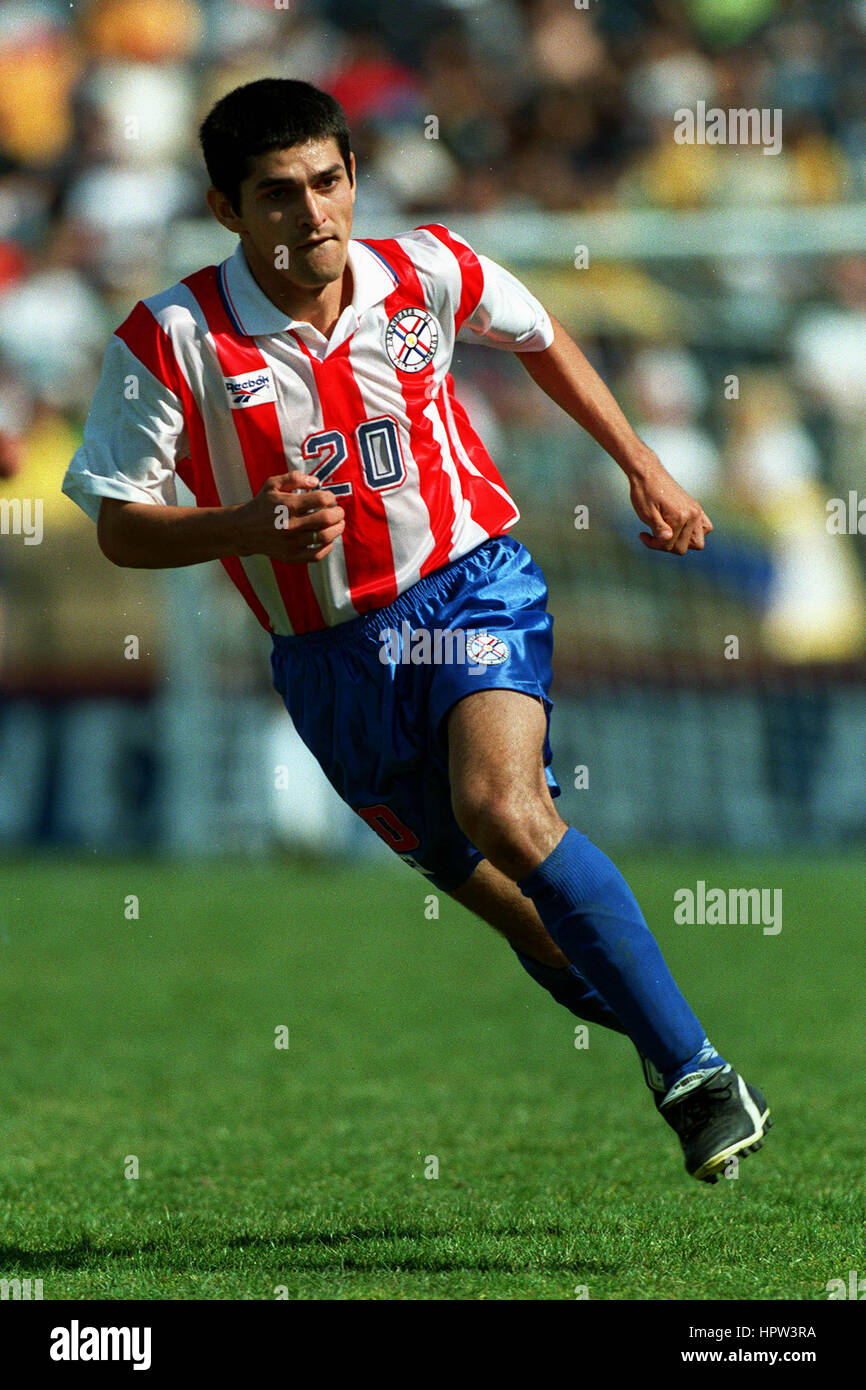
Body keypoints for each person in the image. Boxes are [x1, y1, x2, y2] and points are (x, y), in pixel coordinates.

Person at [62, 79, 771, 1184]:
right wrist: (239, 525)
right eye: (278, 195)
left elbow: (538, 334)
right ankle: (680, 1048)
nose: (313, 216)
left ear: (353, 176)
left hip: (469, 586)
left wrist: (643, 467)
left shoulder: (424, 269)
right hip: (330, 661)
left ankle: (693, 1077)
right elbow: (116, 525)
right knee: (523, 917)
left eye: (328, 182)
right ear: (225, 209)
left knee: (504, 807)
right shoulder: (170, 339)